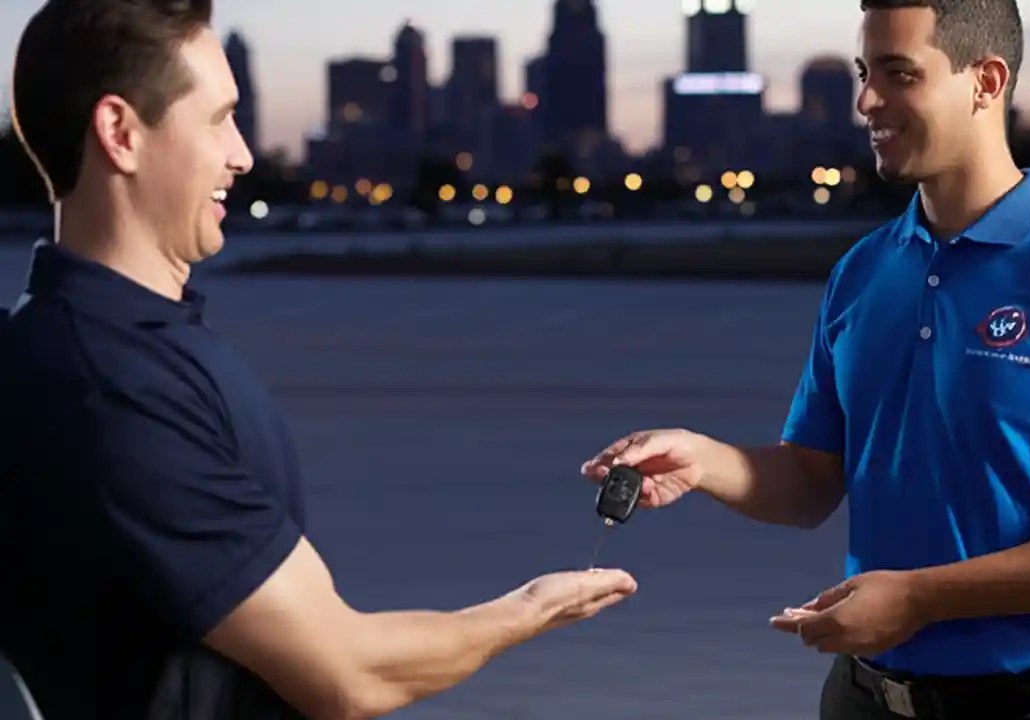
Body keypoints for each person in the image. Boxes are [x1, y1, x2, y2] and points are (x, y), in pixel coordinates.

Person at [0, 2, 636, 719]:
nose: (242, 153)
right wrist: (530, 610)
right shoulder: (109, 388)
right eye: (218, 119)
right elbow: (346, 673)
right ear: (120, 133)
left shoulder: (109, 344)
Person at [581, 1, 1030, 718]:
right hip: (863, 696)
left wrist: (922, 597)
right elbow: (813, 480)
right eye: (862, 72)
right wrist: (701, 458)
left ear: (986, 81)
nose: (866, 101)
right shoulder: (863, 272)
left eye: (898, 74)